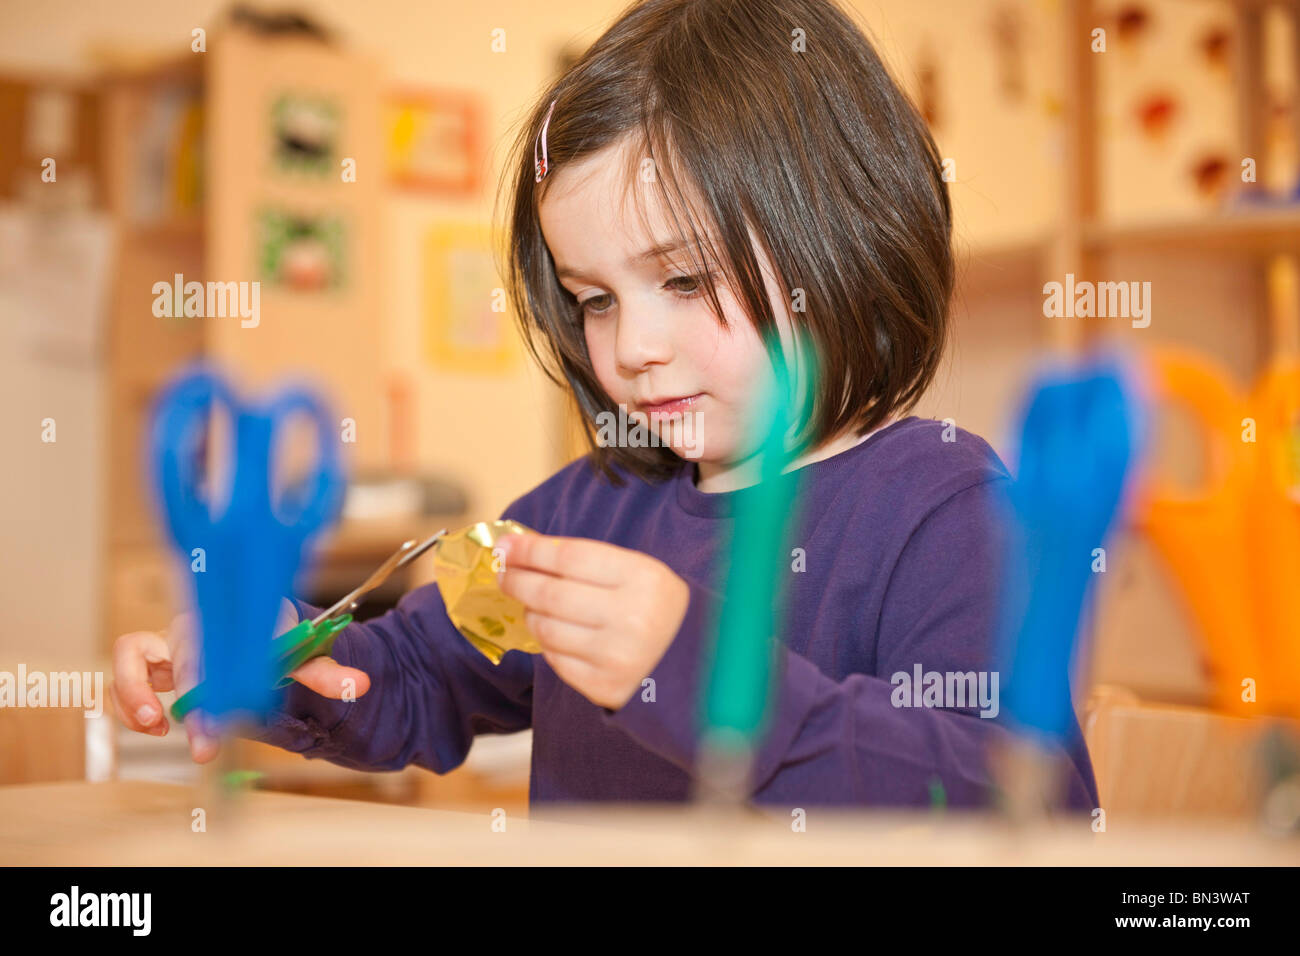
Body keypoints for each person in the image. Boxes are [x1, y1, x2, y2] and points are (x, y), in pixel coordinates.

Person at [111, 0, 1098, 809]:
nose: (631, 346)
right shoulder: (583, 508)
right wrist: (279, 655)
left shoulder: (942, 505)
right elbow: (413, 673)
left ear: (839, 231)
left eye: (679, 280)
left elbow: (1024, 796)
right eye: (593, 299)